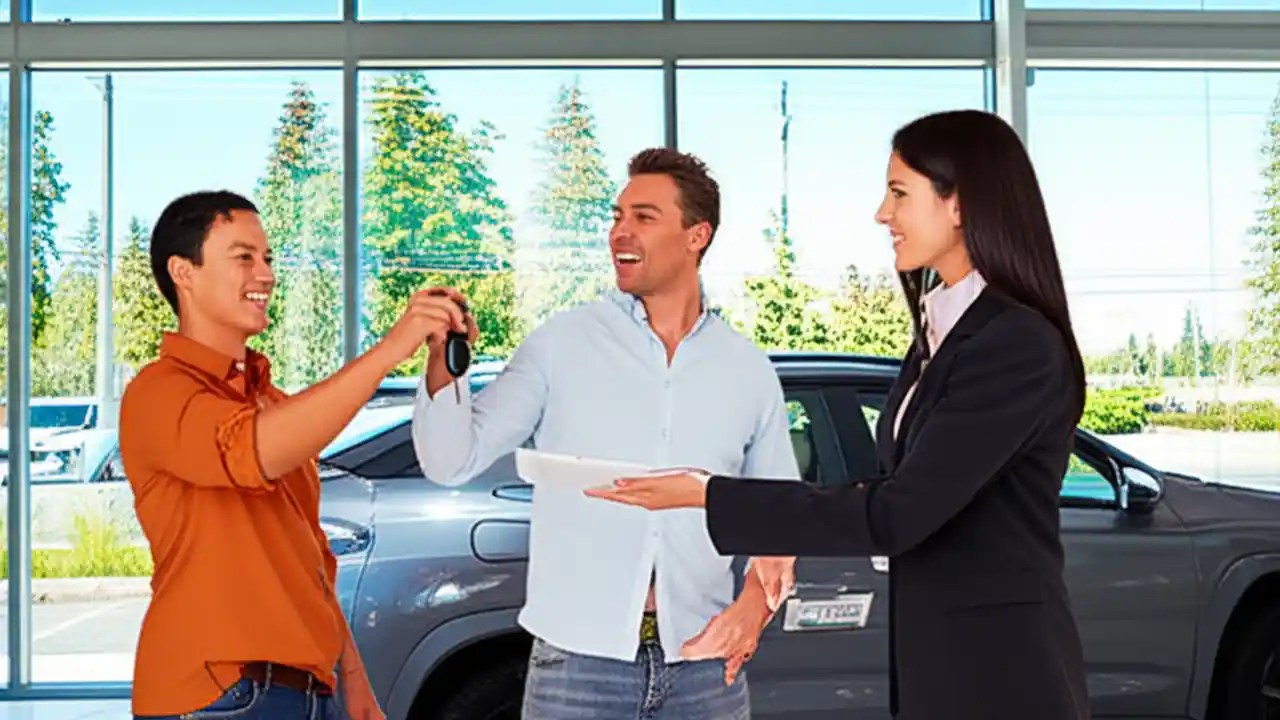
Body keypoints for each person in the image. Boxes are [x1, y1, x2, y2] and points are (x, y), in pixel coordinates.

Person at [586, 110, 1092, 720]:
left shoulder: (1015, 344)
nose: (884, 214)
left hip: (1003, 676)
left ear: (961, 205)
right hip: (945, 665)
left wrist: (707, 495)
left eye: (899, 193)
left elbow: (898, 511)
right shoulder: (943, 333)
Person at [412, 147, 799, 719]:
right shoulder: (561, 344)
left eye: (643, 217)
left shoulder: (746, 369)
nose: (620, 231)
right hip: (578, 667)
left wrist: (753, 608)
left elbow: (779, 512)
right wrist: (442, 362)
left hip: (705, 668)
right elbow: (452, 459)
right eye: (617, 216)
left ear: (697, 235)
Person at [120, 190, 471, 720]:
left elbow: (310, 561)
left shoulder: (270, 401)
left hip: (310, 693)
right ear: (182, 272)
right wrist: (390, 348)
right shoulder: (159, 393)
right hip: (217, 695)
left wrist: (357, 692)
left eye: (268, 258)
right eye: (244, 257)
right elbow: (254, 449)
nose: (265, 274)